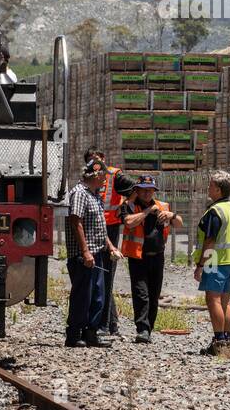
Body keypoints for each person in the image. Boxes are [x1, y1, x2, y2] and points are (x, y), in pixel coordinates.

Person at [64, 159, 121, 348]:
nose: (105, 179)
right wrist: (85, 251)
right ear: (96, 175)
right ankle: (74, 333)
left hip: (97, 253)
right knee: (83, 295)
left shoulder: (95, 195)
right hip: (84, 255)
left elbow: (99, 227)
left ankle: (91, 332)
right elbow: (76, 222)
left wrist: (110, 246)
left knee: (98, 295)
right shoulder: (79, 193)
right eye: (103, 175)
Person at [120, 174, 182, 343]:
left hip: (157, 257)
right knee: (141, 295)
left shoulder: (163, 206)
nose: (147, 194)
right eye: (144, 190)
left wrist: (172, 216)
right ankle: (142, 329)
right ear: (137, 191)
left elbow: (179, 224)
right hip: (138, 257)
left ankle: (149, 328)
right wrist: (147, 212)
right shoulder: (130, 206)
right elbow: (128, 222)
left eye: (150, 191)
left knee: (154, 296)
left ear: (154, 191)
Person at [192, 169, 230, 355]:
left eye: (211, 185)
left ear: (219, 190)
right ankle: (226, 339)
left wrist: (200, 265)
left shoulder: (215, 211)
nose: (208, 188)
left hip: (215, 259)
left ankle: (218, 341)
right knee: (225, 301)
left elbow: (209, 240)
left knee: (213, 300)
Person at [86, 146, 126, 335]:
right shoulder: (87, 179)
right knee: (99, 276)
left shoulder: (114, 175)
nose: (97, 164)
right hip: (96, 227)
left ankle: (106, 324)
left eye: (99, 159)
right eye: (93, 160)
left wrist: (123, 206)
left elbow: (134, 188)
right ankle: (109, 323)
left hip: (110, 227)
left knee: (106, 275)